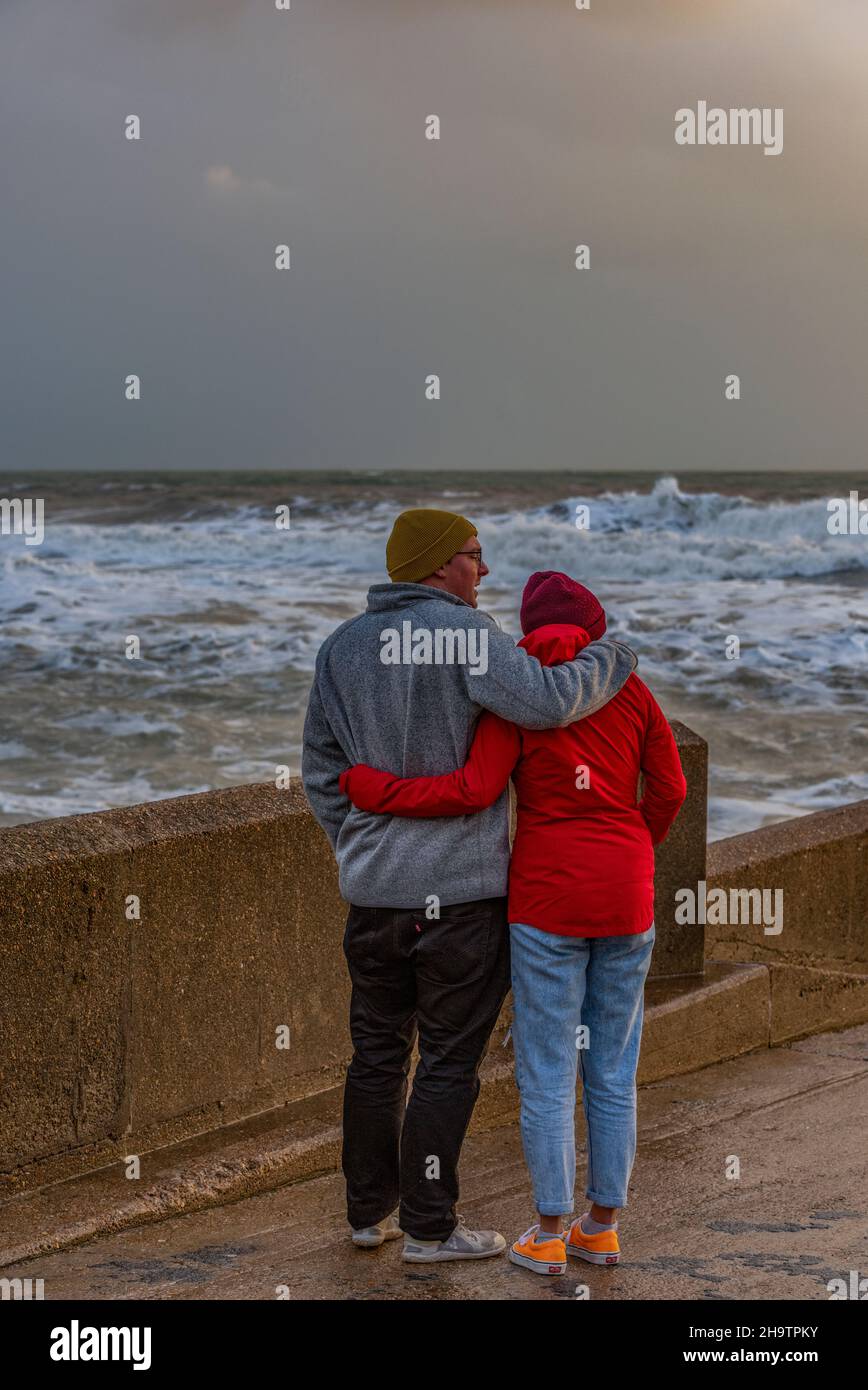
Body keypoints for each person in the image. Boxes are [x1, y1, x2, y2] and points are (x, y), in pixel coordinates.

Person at [301, 512, 638, 1263]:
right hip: (458, 900)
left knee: (376, 1055)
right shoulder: (469, 638)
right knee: (448, 1061)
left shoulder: (340, 649)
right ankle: (428, 1230)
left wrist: (361, 849)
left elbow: (322, 777)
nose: (484, 573)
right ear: (437, 564)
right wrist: (616, 656)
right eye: (475, 557)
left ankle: (366, 1215)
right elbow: (548, 702)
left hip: (374, 896)